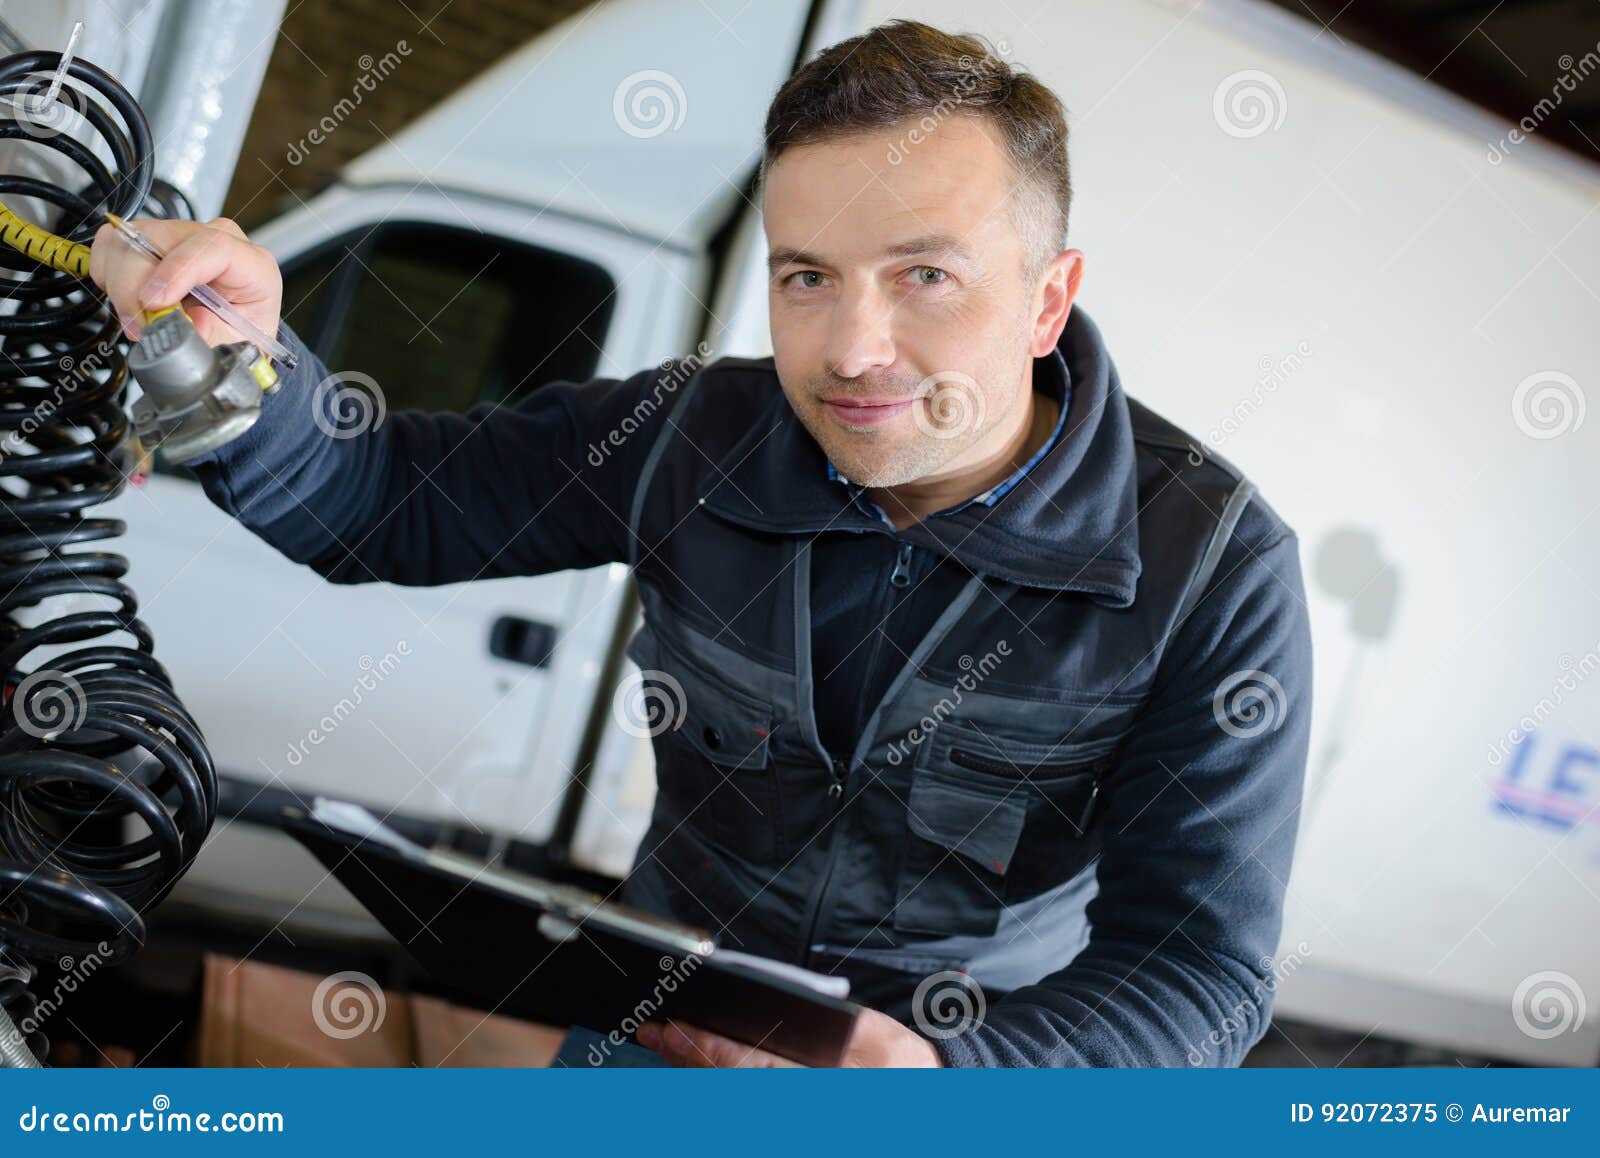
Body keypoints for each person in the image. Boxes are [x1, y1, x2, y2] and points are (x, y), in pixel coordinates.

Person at [91, 19, 1312, 1067]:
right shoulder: (692, 436)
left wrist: (947, 1073)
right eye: (806, 278)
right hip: (656, 1038)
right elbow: (378, 497)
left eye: (925, 275)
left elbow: (1197, 969)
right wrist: (239, 360)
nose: (850, 348)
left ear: (1047, 297)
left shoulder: (1211, 565)